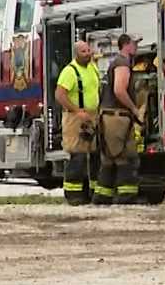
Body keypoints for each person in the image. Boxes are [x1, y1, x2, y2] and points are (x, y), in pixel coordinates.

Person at [93, 33, 141, 206]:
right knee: (124, 157)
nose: (136, 47)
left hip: (110, 117)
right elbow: (119, 90)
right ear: (126, 45)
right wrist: (134, 109)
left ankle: (102, 197)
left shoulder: (117, 62)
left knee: (109, 158)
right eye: (134, 43)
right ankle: (126, 197)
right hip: (117, 117)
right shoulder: (122, 63)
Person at [55, 39, 102, 206]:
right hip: (75, 117)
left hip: (93, 115)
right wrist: (77, 111)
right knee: (77, 155)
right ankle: (73, 195)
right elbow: (59, 95)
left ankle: (93, 193)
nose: (88, 54)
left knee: (95, 155)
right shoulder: (69, 71)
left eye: (88, 50)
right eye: (83, 51)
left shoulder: (93, 67)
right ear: (76, 54)